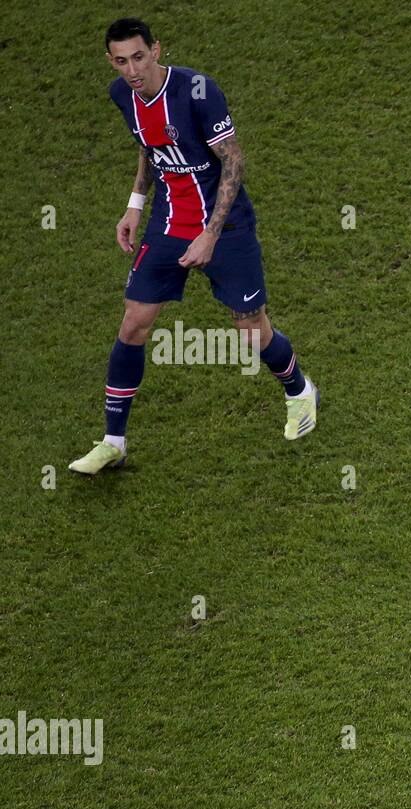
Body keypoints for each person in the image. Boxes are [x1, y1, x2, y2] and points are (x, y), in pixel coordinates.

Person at [70, 17, 317, 476]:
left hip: (226, 226)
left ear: (157, 50)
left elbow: (234, 161)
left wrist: (211, 232)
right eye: (121, 61)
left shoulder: (199, 91)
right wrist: (134, 206)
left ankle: (300, 391)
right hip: (168, 222)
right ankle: (113, 441)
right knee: (133, 323)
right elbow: (149, 147)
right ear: (111, 62)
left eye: (139, 57)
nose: (132, 70)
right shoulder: (122, 94)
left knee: (249, 330)